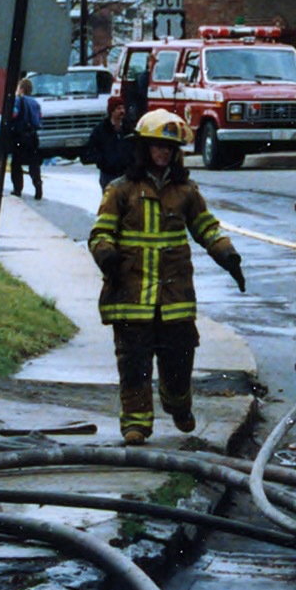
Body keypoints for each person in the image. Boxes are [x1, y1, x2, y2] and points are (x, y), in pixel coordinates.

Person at [89, 110, 246, 443]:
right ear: (144, 148)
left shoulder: (186, 191)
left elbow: (206, 227)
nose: (163, 153)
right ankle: (136, 425)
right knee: (134, 362)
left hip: (175, 298)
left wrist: (227, 255)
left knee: (179, 359)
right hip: (130, 295)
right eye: (157, 146)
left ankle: (178, 404)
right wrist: (107, 255)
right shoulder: (120, 190)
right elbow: (100, 232)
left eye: (169, 148)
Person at [82, 97, 139, 190]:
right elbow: (91, 150)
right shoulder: (101, 130)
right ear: (112, 111)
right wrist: (103, 161)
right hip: (108, 176)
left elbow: (135, 147)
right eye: (118, 108)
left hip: (126, 174)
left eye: (123, 108)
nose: (122, 111)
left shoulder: (128, 128)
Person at [6, 76, 45, 199]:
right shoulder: (35, 103)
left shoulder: (18, 100)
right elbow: (39, 119)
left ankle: (18, 189)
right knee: (34, 163)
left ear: (21, 89)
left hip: (19, 137)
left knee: (16, 163)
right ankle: (38, 185)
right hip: (33, 136)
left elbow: (13, 114)